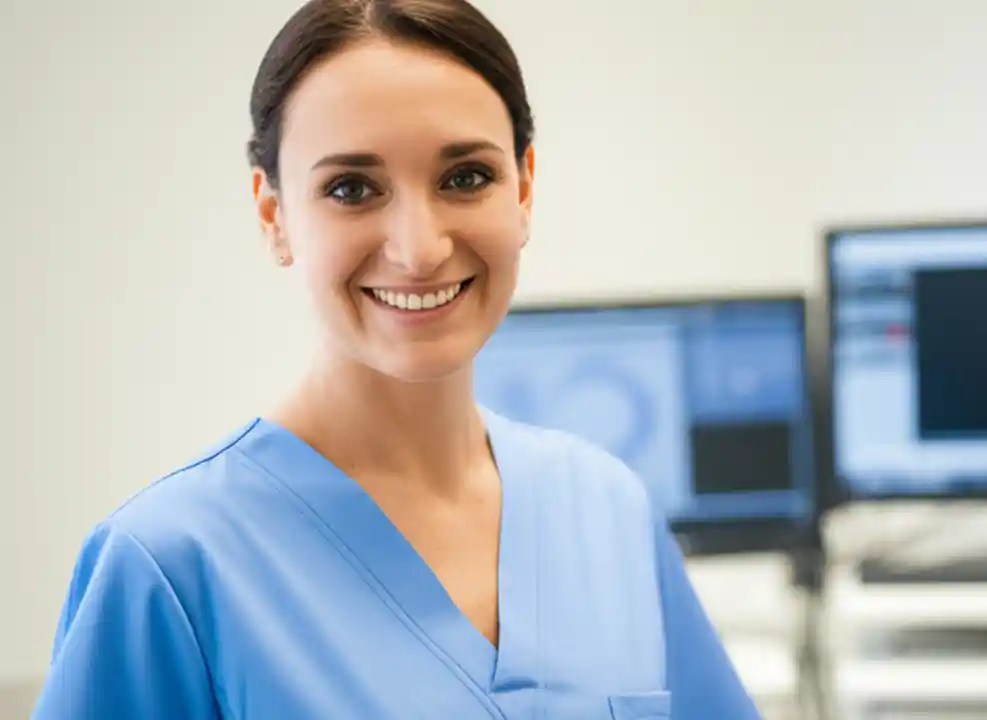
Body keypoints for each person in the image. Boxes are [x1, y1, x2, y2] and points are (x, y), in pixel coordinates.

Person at [32, 1, 759, 718]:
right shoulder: (171, 565)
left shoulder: (606, 508)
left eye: (466, 177)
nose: (419, 249)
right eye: (352, 189)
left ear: (525, 188)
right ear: (273, 214)